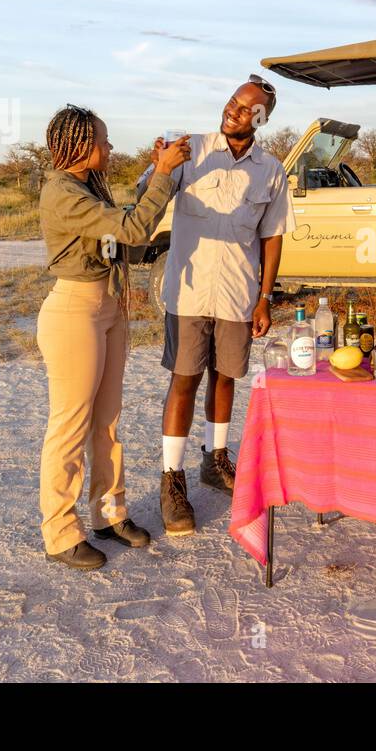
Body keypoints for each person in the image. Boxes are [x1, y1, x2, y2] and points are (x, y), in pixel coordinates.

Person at [36, 104, 191, 570]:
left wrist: (153, 176)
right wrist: (164, 173)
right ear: (82, 146)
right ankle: (60, 533)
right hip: (74, 312)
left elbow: (127, 234)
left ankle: (109, 514)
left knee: (107, 422)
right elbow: (132, 226)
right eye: (103, 140)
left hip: (107, 306)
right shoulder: (61, 191)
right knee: (69, 425)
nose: (109, 146)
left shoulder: (88, 185)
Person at [137, 75, 293, 536]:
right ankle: (172, 479)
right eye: (232, 103)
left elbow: (273, 236)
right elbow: (149, 195)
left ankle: (215, 459)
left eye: (247, 109)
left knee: (225, 377)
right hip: (187, 293)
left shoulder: (271, 169)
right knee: (183, 380)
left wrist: (264, 298)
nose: (234, 112)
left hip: (237, 294)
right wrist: (161, 167)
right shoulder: (191, 150)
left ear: (262, 119)